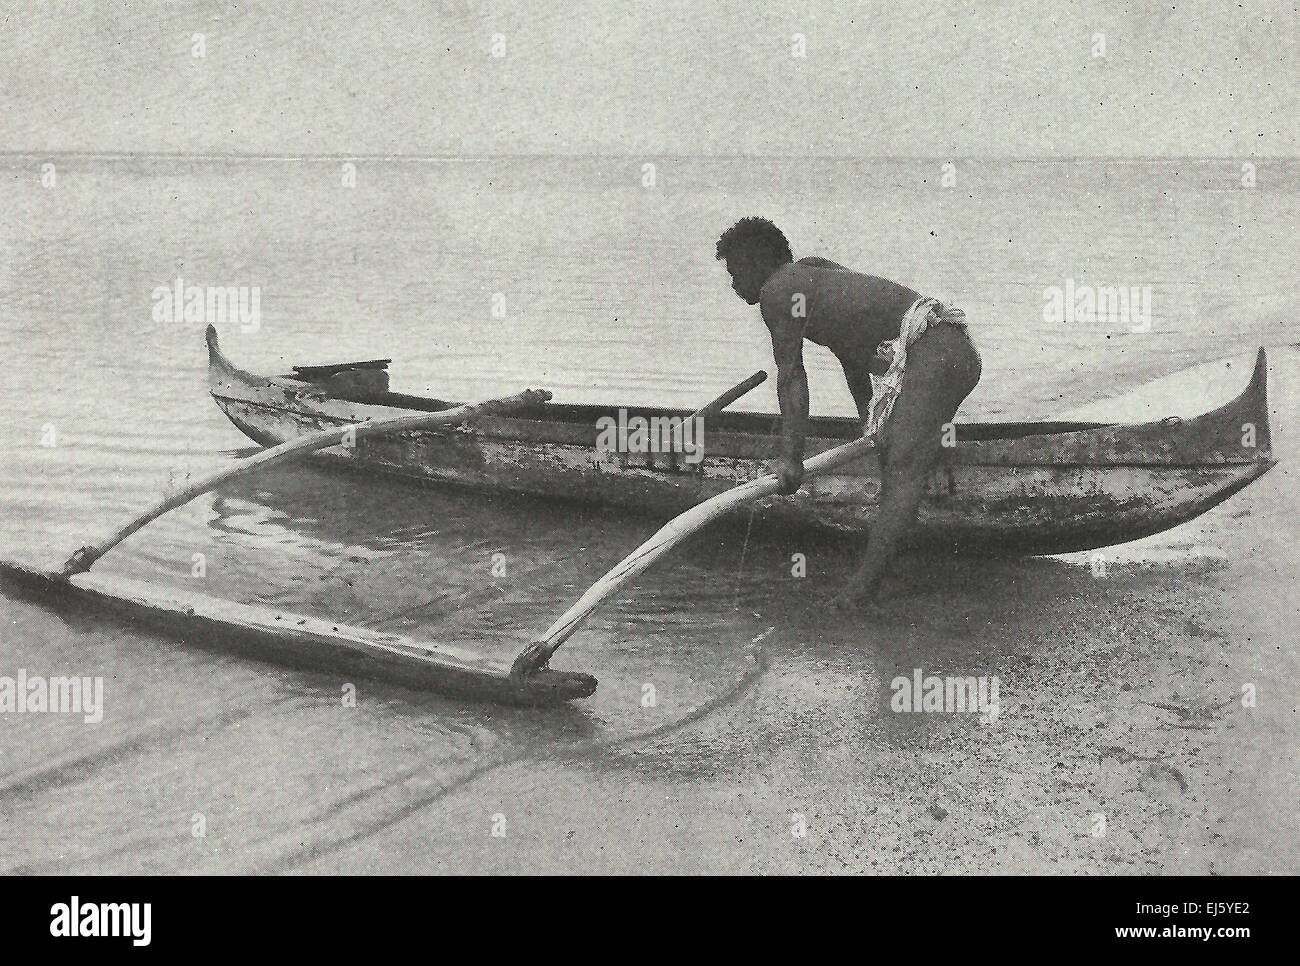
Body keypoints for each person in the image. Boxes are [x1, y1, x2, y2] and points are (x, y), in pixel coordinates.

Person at [715, 217, 982, 610]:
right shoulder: (811, 273)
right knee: (901, 455)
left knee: (903, 474)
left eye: (736, 273)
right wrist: (870, 424)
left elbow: (791, 377)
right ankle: (893, 552)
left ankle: (858, 597)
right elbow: (852, 351)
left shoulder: (778, 290)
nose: (735, 285)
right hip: (951, 348)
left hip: (935, 354)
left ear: (757, 263)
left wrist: (791, 458)